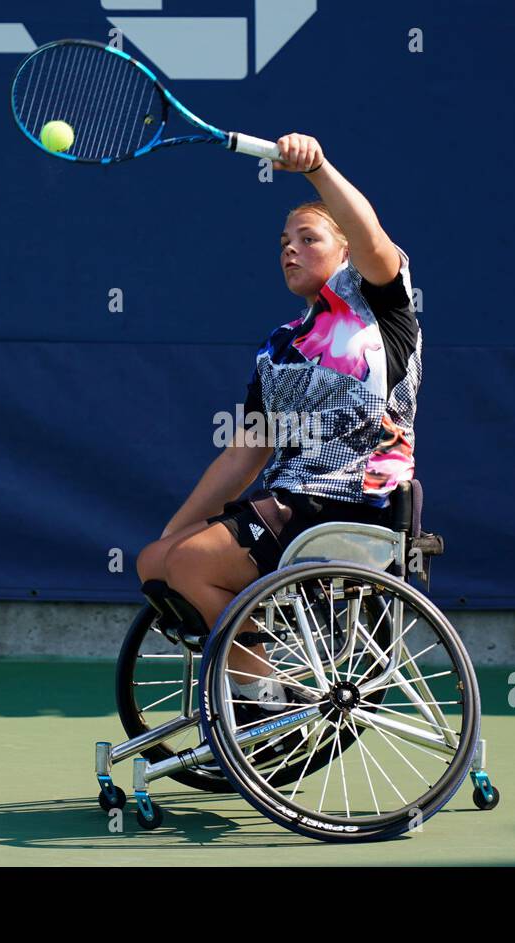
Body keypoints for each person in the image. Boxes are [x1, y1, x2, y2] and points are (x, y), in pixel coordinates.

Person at [135, 133, 421, 711]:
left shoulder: (382, 306)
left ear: (344, 252)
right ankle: (256, 681)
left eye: (308, 238)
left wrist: (317, 169)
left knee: (193, 564)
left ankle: (265, 700)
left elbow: (368, 232)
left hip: (353, 506)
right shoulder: (281, 348)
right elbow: (244, 453)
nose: (289, 250)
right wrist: (173, 530)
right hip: (290, 503)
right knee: (157, 562)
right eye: (283, 242)